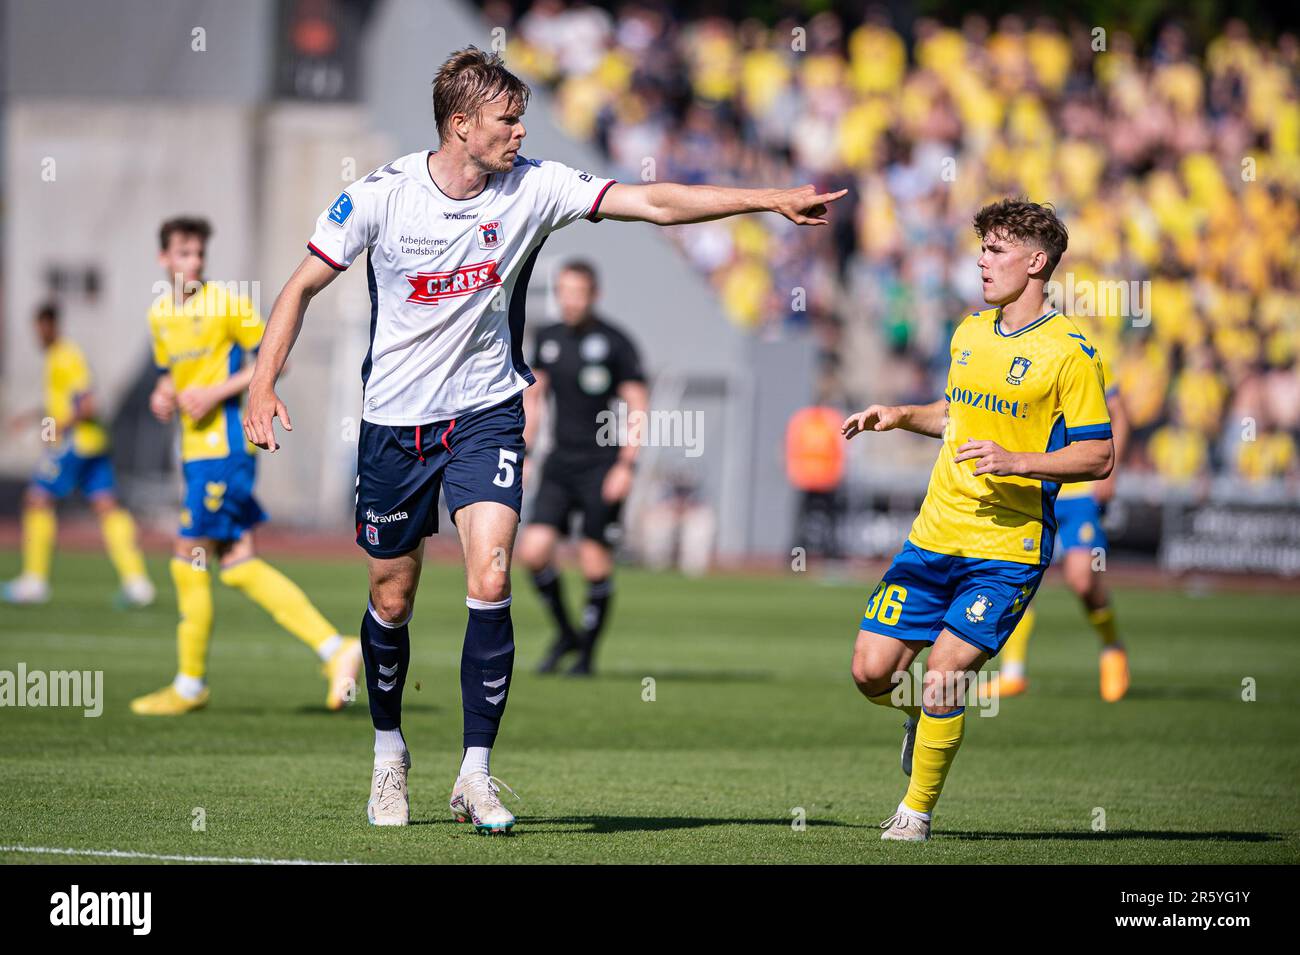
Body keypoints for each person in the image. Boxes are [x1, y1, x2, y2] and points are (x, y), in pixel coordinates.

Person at [243, 46, 845, 834]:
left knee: (492, 573)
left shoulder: (535, 186)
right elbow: (300, 285)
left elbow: (655, 202)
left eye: (522, 117)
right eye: (507, 119)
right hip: (394, 424)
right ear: (460, 126)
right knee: (392, 592)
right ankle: (389, 754)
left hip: (487, 411)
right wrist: (262, 381)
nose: (521, 131)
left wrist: (764, 199)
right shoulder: (380, 198)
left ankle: (475, 773)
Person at [843, 198, 1113, 841]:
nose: (982, 261)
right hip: (933, 534)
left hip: (1006, 548)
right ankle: (920, 719)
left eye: (996, 250)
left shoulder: (1070, 352)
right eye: (983, 249)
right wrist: (901, 415)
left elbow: (1099, 455)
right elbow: (956, 412)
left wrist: (1016, 460)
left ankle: (915, 813)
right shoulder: (969, 331)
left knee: (943, 673)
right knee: (870, 672)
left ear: (1037, 261)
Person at [129, 216, 362, 717]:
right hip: (195, 453)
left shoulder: (227, 304)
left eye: (199, 254)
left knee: (187, 552)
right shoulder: (161, 316)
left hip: (227, 449)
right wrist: (163, 395)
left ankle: (190, 685)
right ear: (164, 259)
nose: (193, 262)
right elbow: (174, 377)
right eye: (183, 253)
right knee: (236, 564)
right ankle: (334, 648)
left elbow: (276, 362)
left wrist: (214, 392)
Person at [517, 260, 647, 676]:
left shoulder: (615, 342)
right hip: (559, 462)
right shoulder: (549, 338)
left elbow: (637, 406)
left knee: (593, 561)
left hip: (601, 464)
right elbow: (535, 399)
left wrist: (627, 464)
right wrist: (526, 452)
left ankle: (587, 655)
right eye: (563, 291)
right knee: (533, 552)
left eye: (578, 292)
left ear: (595, 295)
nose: (570, 300)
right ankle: (566, 633)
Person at [988, 349, 1131, 702]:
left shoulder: (1084, 353)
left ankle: (1112, 647)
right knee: (1017, 576)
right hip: (1031, 483)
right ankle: (1013, 672)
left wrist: (1113, 468)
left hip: (1078, 490)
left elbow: (1119, 414)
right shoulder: (1016, 352)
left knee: (1082, 579)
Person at [3, 303, 154, 608]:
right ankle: (137, 583)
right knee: (106, 506)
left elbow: (86, 405)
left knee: (36, 499)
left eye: (40, 328)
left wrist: (57, 428)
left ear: (49, 326)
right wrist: (32, 418)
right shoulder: (57, 358)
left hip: (76, 442)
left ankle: (34, 580)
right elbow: (63, 403)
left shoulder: (66, 356)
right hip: (94, 443)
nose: (38, 334)